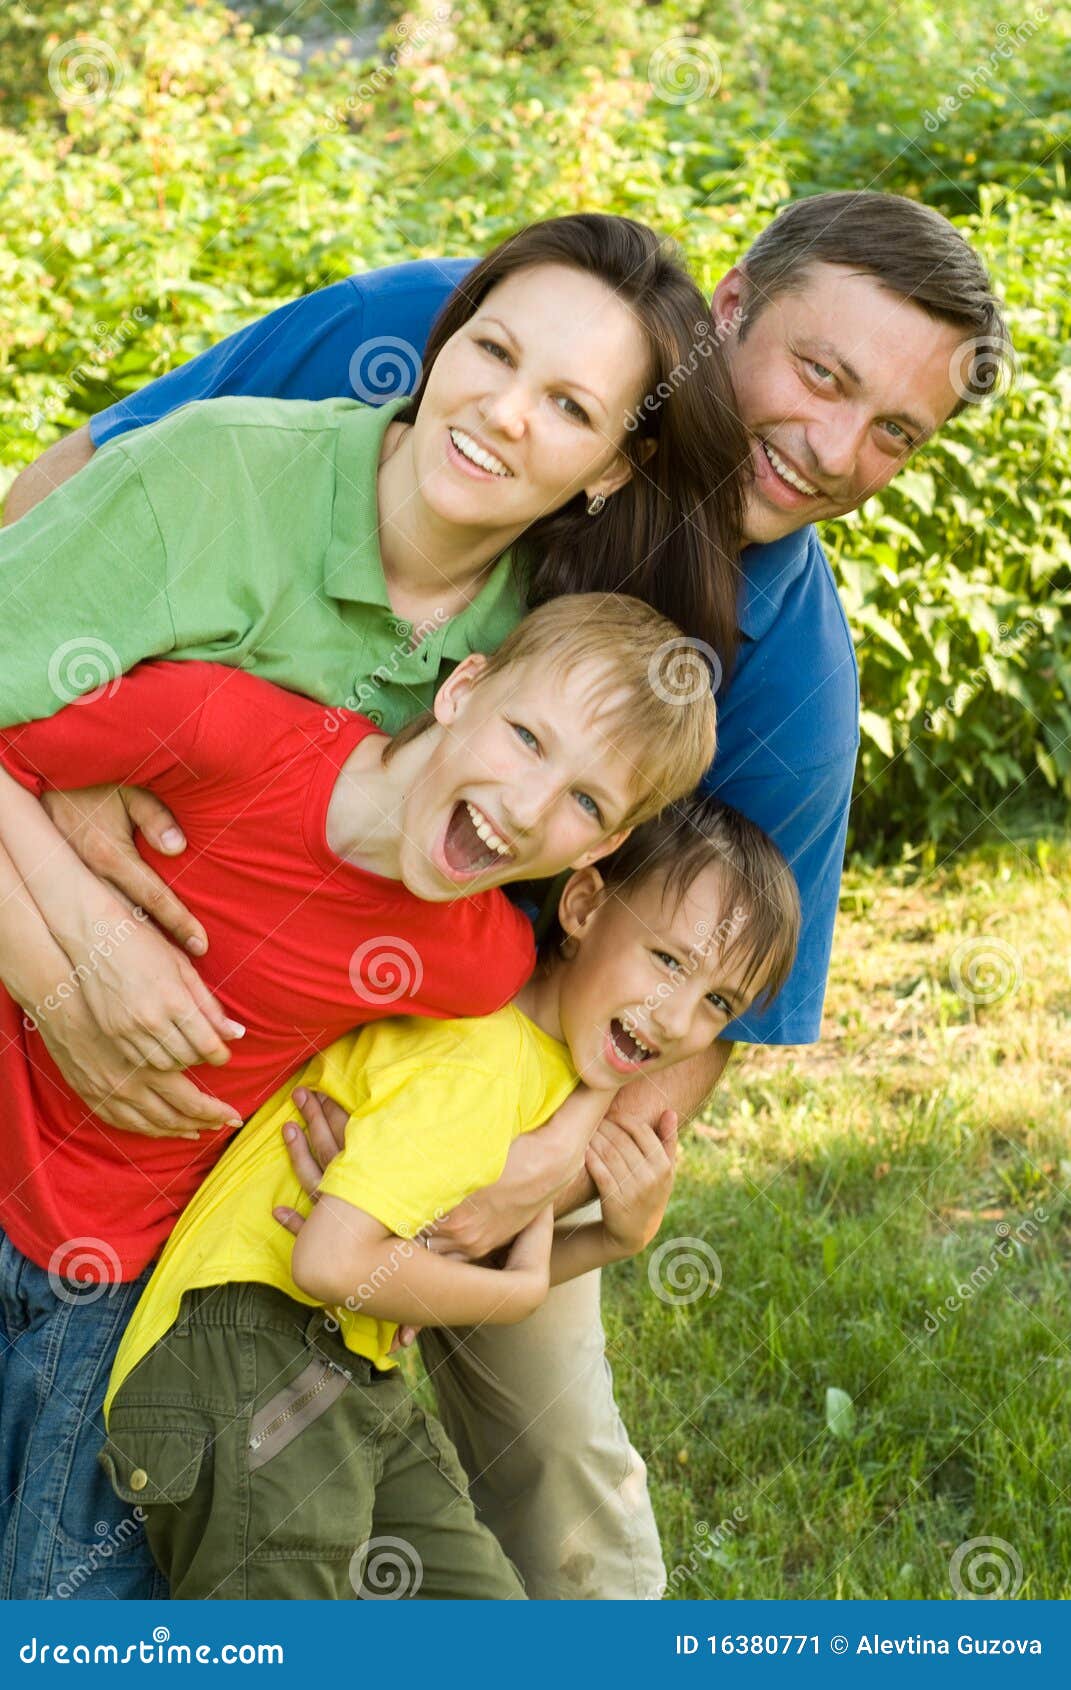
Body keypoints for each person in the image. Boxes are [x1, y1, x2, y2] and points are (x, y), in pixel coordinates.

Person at [1, 192, 1011, 1597]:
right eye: (821, 375)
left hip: (482, 1023)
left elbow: (707, 995)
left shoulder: (783, 655)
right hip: (212, 877)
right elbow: (83, 486)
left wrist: (555, 1152)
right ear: (723, 312)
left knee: (554, 1452)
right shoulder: (437, 335)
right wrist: (61, 736)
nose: (835, 450)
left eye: (893, 432)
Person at [0, 594, 717, 1600]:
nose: (524, 805)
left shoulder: (476, 964)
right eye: (524, 738)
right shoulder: (230, 733)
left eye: (586, 803)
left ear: (601, 850)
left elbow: (539, 1052)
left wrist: (586, 1153)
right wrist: (69, 871)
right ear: (462, 688)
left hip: (120, 1266)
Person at [99, 799, 800, 1599]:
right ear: (580, 905)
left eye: (718, 1003)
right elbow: (333, 1261)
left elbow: (453, 1257)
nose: (677, 1018)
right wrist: (516, 1295)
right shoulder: (477, 1061)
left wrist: (612, 1239)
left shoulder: (543, 1075)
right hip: (244, 1354)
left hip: (344, 1367)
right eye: (667, 961)